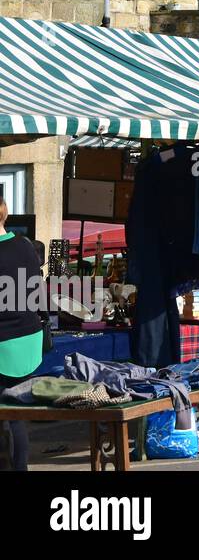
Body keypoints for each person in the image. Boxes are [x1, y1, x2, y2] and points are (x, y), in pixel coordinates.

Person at [0, 197, 42, 471]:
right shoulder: (26, 246)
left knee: (9, 415)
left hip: (6, 345)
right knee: (15, 415)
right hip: (29, 340)